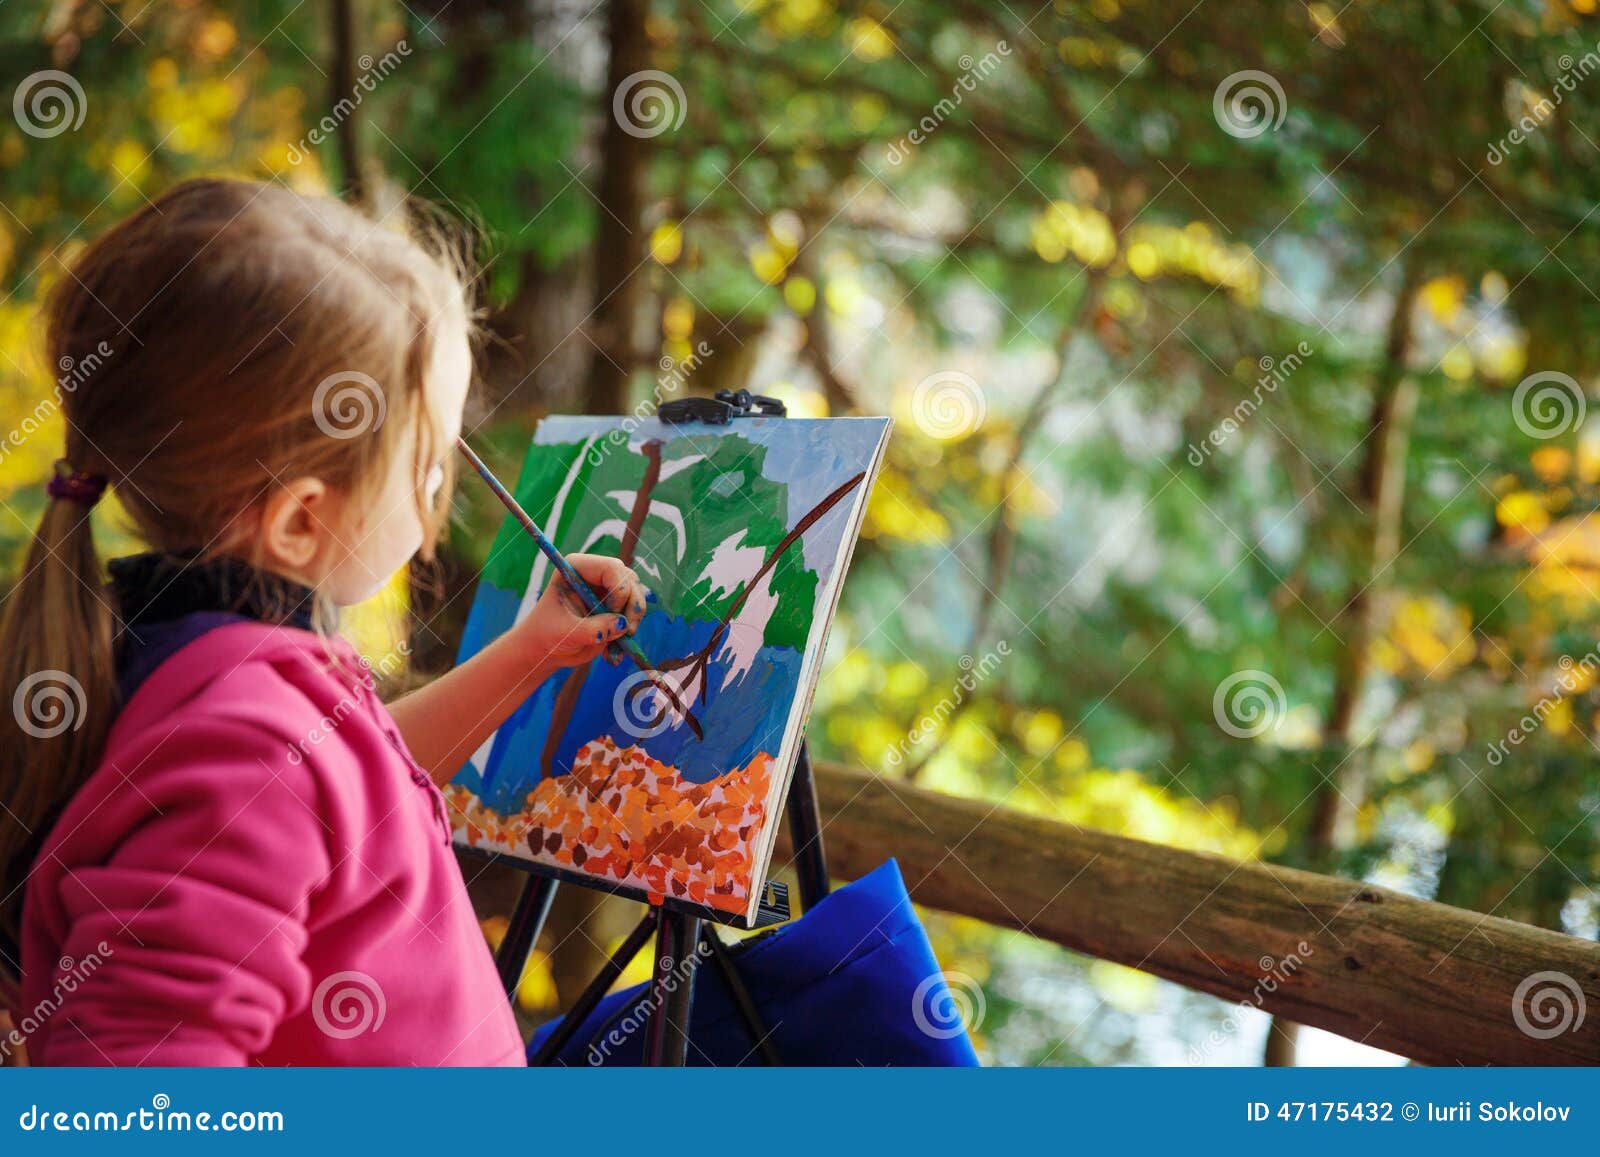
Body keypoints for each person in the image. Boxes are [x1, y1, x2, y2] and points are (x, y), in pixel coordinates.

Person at [0, 178, 647, 1065]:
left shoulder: (224, 674)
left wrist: (528, 653)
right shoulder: (243, 744)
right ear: (303, 517)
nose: (437, 502)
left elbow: (352, 797)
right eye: (427, 463)